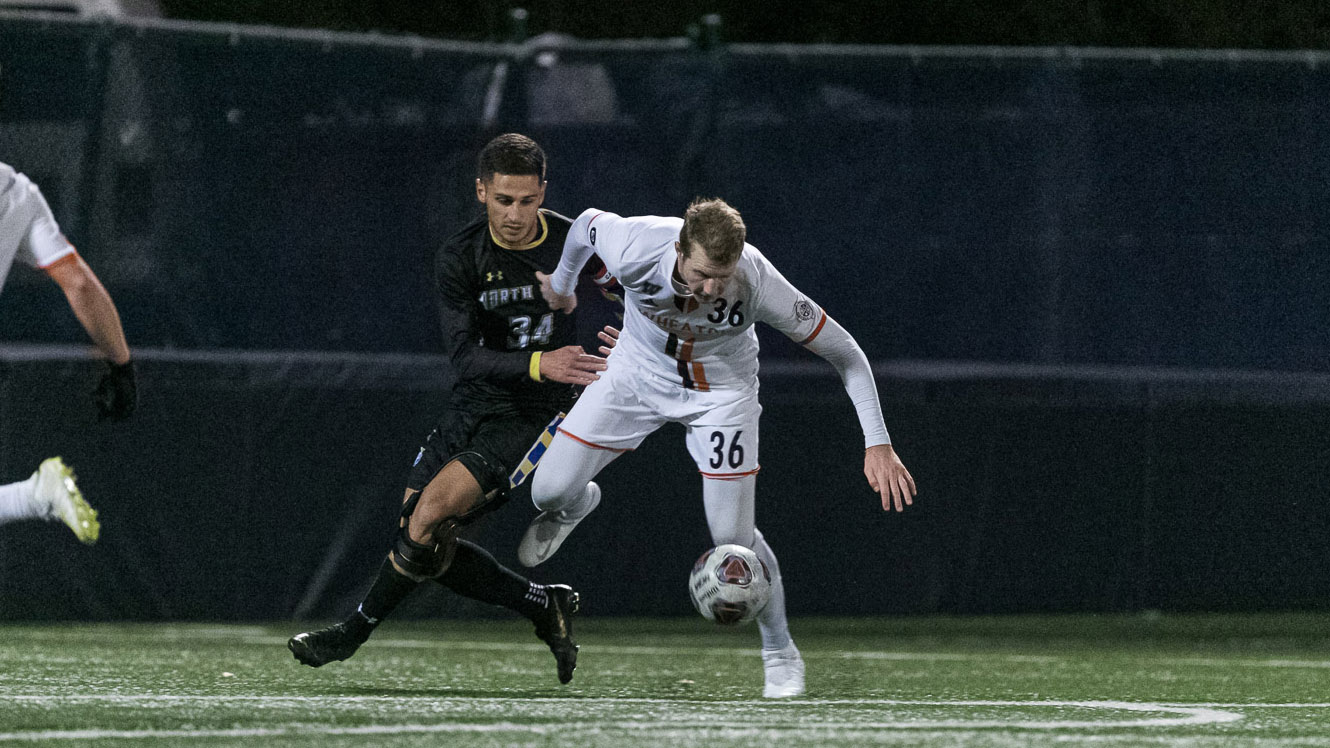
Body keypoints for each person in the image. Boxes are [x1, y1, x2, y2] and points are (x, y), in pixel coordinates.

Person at [520, 197, 917, 698]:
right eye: (702, 273)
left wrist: (877, 441)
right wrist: (561, 285)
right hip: (633, 376)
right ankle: (578, 504)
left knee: (735, 542)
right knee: (547, 492)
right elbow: (583, 226)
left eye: (722, 277)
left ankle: (779, 650)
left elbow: (847, 354)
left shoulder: (757, 280)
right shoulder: (637, 244)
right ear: (679, 249)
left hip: (721, 396)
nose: (711, 288)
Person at [288, 134, 618, 685]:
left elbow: (638, 293)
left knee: (425, 520)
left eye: (527, 200)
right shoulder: (460, 255)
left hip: (535, 412)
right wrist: (542, 360)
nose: (515, 215)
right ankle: (543, 603)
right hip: (476, 399)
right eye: (503, 200)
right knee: (420, 539)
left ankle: (350, 634)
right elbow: (465, 358)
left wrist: (630, 340)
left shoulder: (573, 241)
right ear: (481, 191)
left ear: (543, 193)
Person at [0, 161, 138, 544]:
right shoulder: (19, 192)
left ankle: (34, 496)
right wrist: (122, 364)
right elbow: (79, 284)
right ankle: (35, 496)